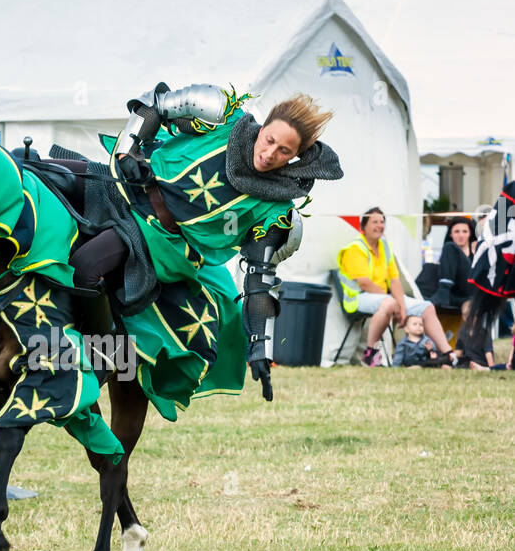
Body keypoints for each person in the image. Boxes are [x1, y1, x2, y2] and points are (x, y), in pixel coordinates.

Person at [70, 84, 343, 406]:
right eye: (269, 140)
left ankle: (88, 362)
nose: (270, 154)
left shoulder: (276, 213)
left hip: (156, 240)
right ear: (263, 127)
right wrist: (128, 154)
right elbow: (154, 106)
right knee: (33, 172)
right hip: (121, 187)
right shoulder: (222, 116)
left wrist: (257, 347)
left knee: (86, 266)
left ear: (295, 156)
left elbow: (259, 283)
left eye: (284, 151)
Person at [337, 207, 456, 366]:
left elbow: (395, 281)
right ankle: (371, 354)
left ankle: (448, 354)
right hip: (357, 298)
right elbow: (364, 283)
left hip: (383, 298)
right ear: (363, 227)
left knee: (427, 307)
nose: (379, 225)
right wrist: (394, 303)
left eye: (382, 221)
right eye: (374, 222)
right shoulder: (355, 248)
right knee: (389, 304)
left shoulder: (385, 247)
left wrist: (402, 307)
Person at [431, 216, 477, 309]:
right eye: (456, 231)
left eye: (465, 231)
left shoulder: (475, 251)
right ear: (451, 234)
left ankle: (443, 290)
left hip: (470, 290)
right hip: (454, 297)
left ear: (470, 234)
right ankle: (442, 292)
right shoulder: (447, 254)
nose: (461, 235)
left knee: (449, 246)